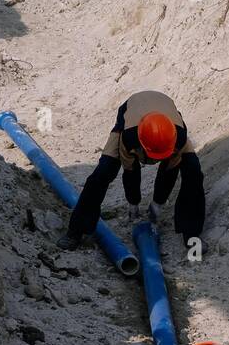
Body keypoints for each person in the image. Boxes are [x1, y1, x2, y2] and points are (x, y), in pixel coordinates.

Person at [58, 90, 205, 251]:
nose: (156, 160)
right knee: (101, 174)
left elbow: (169, 171)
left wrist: (157, 203)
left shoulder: (179, 138)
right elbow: (131, 171)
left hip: (169, 118)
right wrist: (133, 203)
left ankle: (192, 234)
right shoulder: (129, 137)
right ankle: (76, 231)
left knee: (194, 173)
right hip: (131, 112)